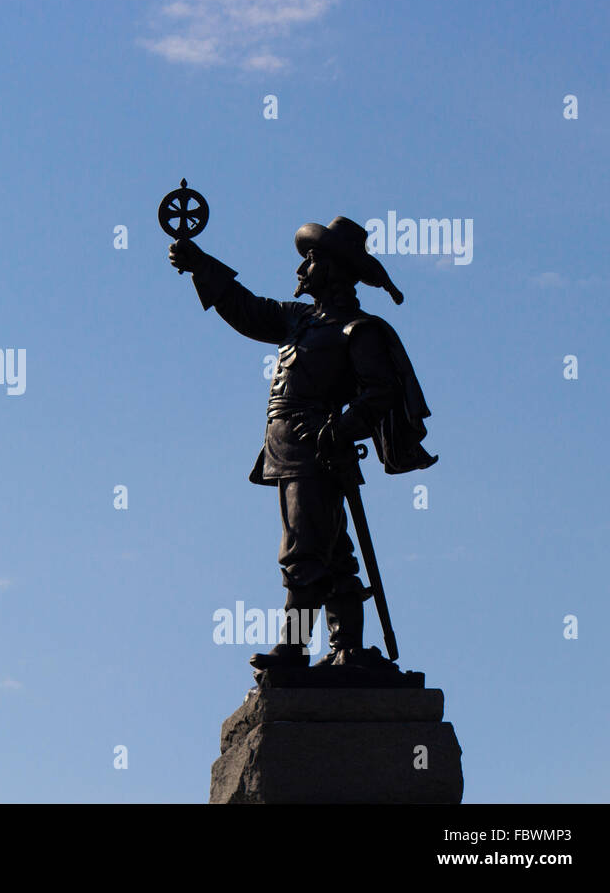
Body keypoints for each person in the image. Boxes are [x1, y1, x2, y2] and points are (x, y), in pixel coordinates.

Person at [169, 217, 438, 669]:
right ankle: (347, 646)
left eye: (310, 260)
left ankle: (294, 651)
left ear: (333, 269)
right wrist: (200, 264)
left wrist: (340, 429)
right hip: (286, 448)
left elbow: (381, 392)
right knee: (331, 553)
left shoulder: (358, 329)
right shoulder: (298, 320)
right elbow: (246, 309)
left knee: (303, 550)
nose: (300, 270)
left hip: (317, 449)